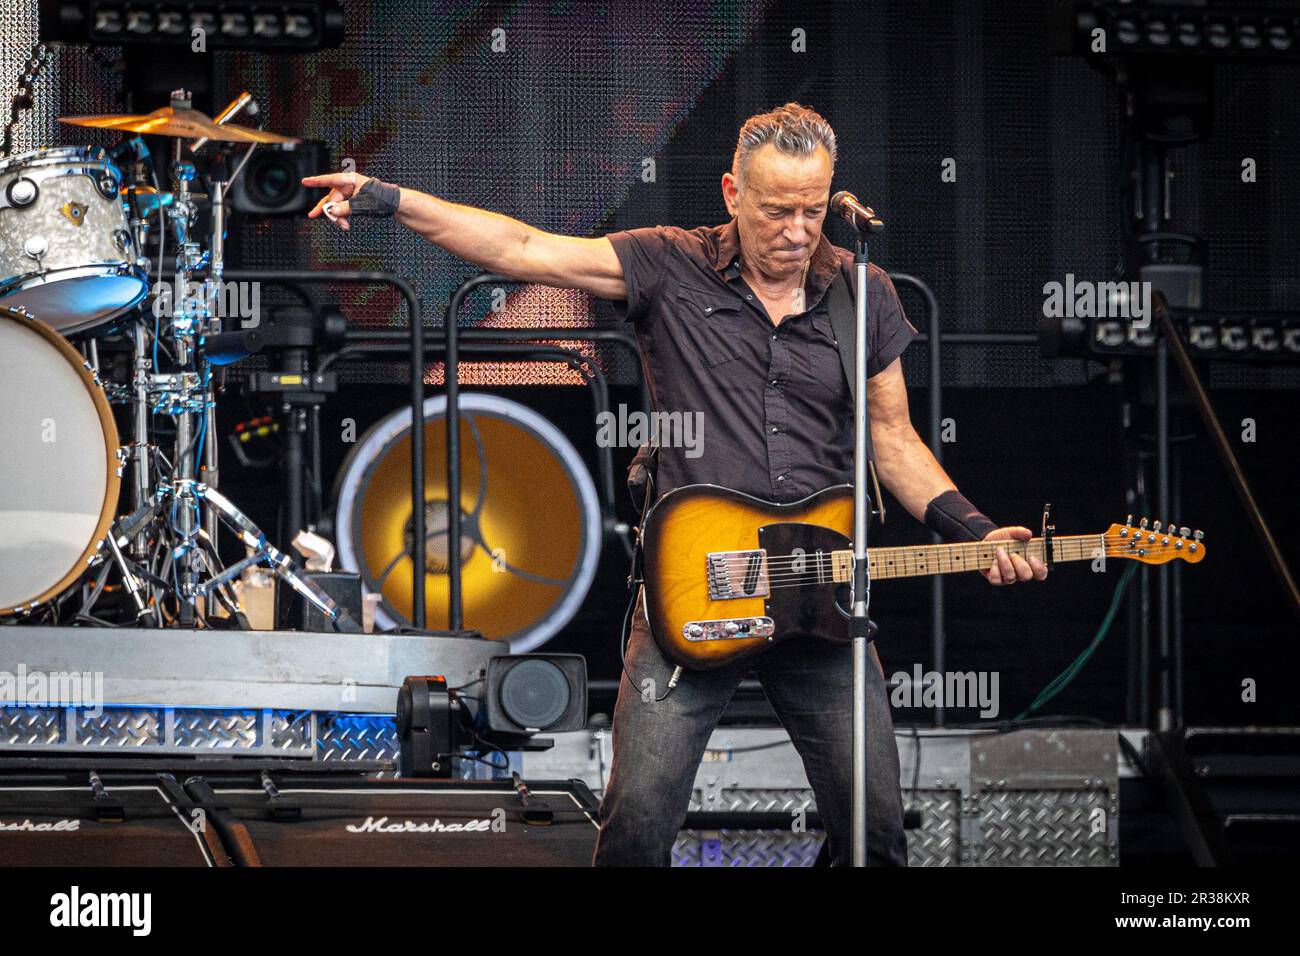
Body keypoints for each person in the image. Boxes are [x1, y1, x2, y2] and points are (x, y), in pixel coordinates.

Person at [303, 102, 1048, 866]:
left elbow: (894, 441)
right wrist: (389, 197)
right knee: (634, 830)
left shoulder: (865, 294)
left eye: (813, 210)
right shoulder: (668, 262)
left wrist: (976, 529)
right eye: (776, 210)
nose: (796, 231)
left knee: (875, 835)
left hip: (818, 595)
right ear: (732, 193)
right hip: (691, 587)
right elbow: (524, 248)